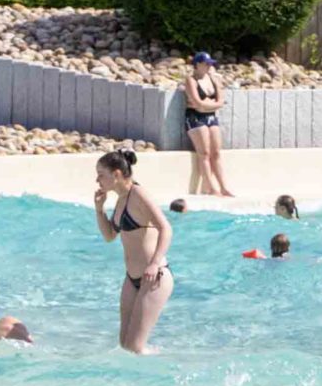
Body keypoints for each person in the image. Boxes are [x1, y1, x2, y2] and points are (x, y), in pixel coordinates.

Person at [93, 149, 174, 354]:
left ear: (116, 174)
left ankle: (166, 371)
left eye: (101, 174)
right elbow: (110, 235)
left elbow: (166, 228)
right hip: (132, 279)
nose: (97, 180)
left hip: (154, 277)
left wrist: (154, 263)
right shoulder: (121, 199)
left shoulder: (138, 194)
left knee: (135, 347)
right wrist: (99, 210)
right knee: (124, 347)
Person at [183, 52, 232, 197]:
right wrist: (211, 104)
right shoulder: (191, 80)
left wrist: (207, 106)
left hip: (210, 117)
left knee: (216, 152)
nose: (209, 66)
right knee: (204, 152)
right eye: (206, 64)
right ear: (197, 64)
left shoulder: (214, 80)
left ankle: (223, 187)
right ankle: (210, 187)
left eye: (210, 64)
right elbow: (197, 104)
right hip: (195, 118)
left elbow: (221, 101)